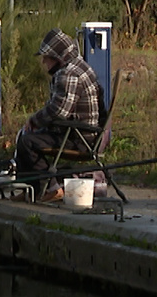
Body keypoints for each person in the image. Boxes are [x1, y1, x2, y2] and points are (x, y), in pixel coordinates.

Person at [14, 28, 103, 199]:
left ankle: (47, 189)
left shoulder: (69, 73)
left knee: (27, 141)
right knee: (28, 137)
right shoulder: (79, 65)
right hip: (83, 133)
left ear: (57, 57)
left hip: (79, 137)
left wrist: (34, 121)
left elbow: (59, 111)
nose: (43, 62)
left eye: (46, 58)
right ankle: (30, 190)